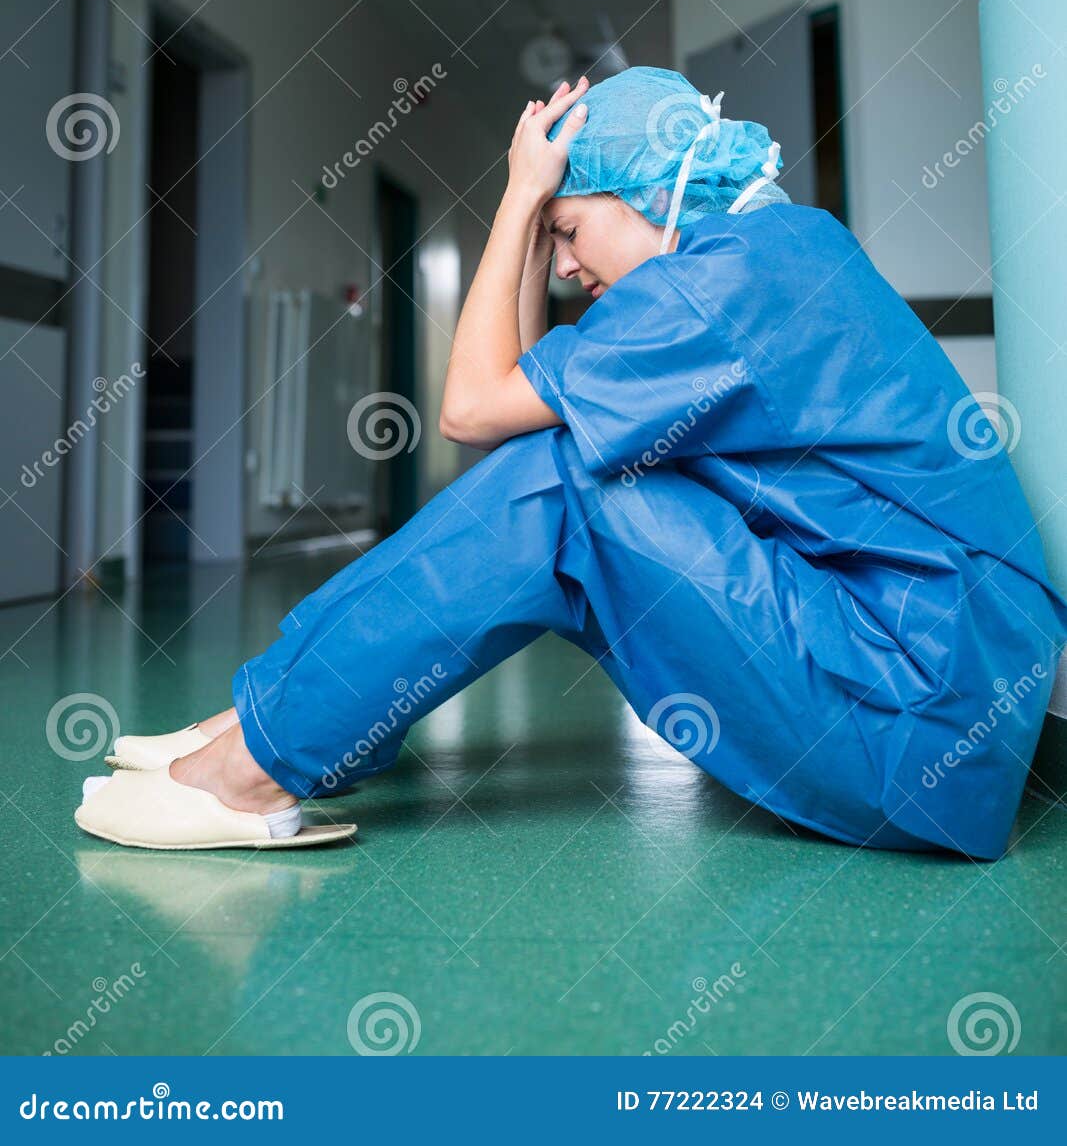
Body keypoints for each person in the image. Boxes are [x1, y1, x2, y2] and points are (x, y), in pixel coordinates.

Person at [75, 66, 1067, 857]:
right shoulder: (761, 252)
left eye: (566, 229)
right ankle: (299, 723)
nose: (560, 263)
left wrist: (515, 197)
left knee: (561, 491)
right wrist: (536, 201)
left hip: (919, 722)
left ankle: (257, 759)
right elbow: (514, 400)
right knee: (566, 467)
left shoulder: (719, 287)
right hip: (932, 688)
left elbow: (471, 408)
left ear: (652, 192)